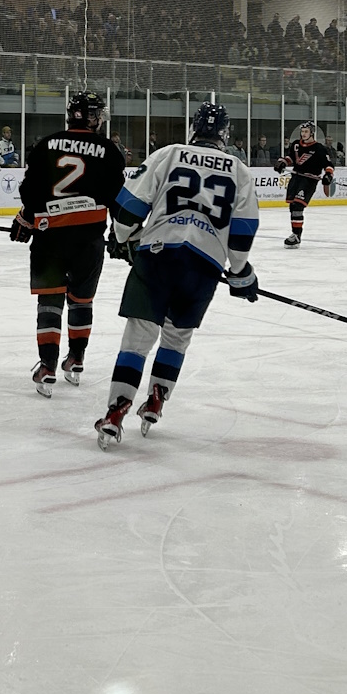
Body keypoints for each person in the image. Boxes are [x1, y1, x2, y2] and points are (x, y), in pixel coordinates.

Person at [95, 102, 259, 447]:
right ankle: (157, 398)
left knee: (139, 335)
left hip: (157, 255)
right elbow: (243, 228)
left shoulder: (169, 153)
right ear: (225, 134)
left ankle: (116, 409)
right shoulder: (239, 170)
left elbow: (128, 207)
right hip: (204, 264)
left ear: (193, 129)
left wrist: (123, 238)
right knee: (176, 337)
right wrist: (241, 273)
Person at [11, 90, 128, 394]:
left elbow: (31, 190)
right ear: (91, 117)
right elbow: (118, 198)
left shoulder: (46, 144)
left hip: (50, 238)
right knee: (81, 300)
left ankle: (48, 365)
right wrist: (121, 234)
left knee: (50, 300)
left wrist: (26, 218)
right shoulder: (109, 149)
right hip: (89, 239)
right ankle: (76, 360)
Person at [275, 122, 334, 247]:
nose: (303, 134)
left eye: (306, 131)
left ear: (312, 133)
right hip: (296, 178)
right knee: (292, 206)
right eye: (302, 132)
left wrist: (328, 175)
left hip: (309, 180)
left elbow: (328, 165)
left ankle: (297, 236)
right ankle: (295, 234)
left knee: (298, 206)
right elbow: (291, 157)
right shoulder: (296, 144)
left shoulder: (319, 148)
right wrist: (283, 162)